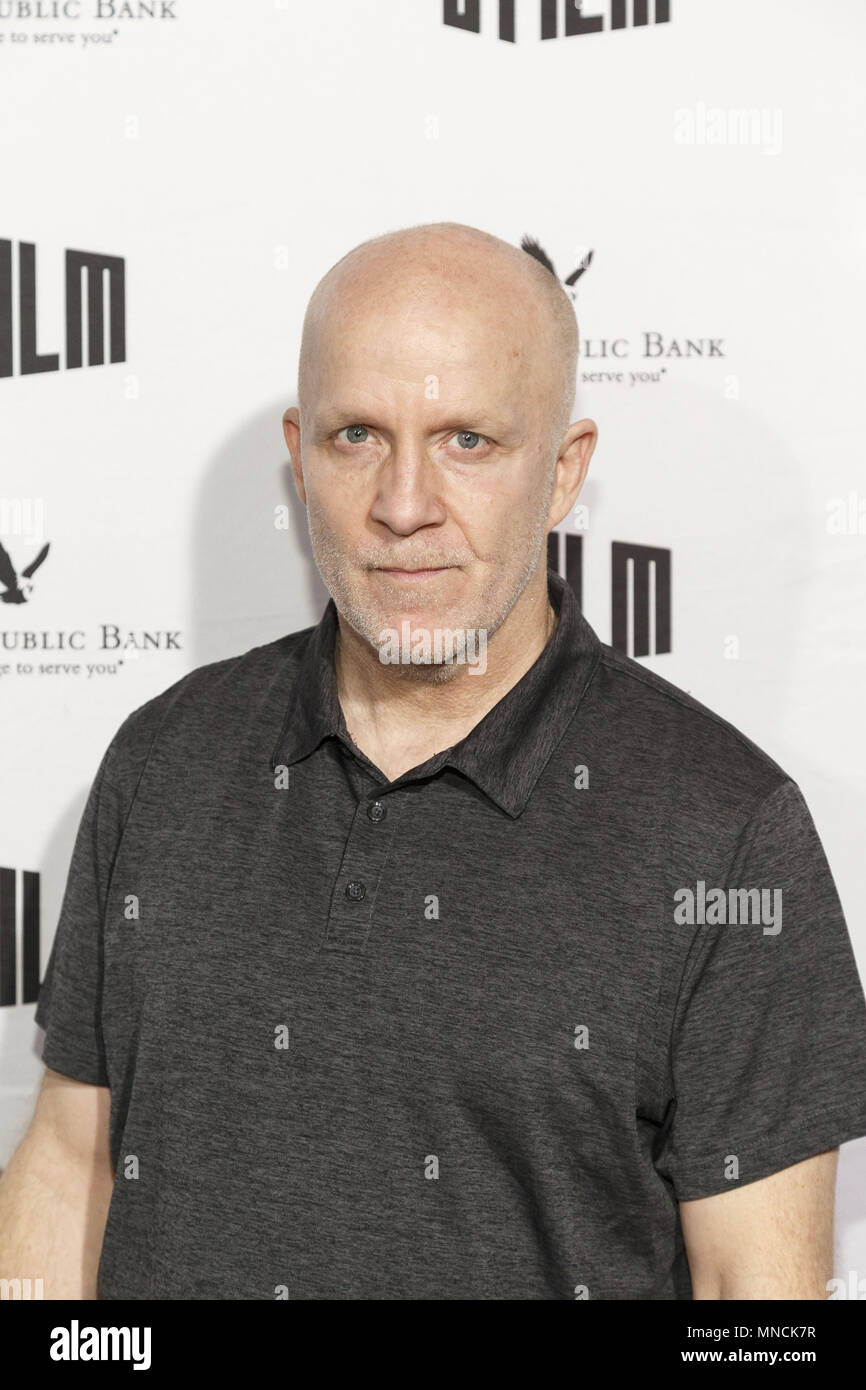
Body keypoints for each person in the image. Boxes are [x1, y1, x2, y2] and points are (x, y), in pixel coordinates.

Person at [2, 221, 866, 1300]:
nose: (403, 506)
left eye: (467, 441)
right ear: (298, 455)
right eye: (356, 435)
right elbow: (71, 1169)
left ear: (560, 472)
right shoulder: (165, 760)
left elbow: (760, 1303)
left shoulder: (727, 834)